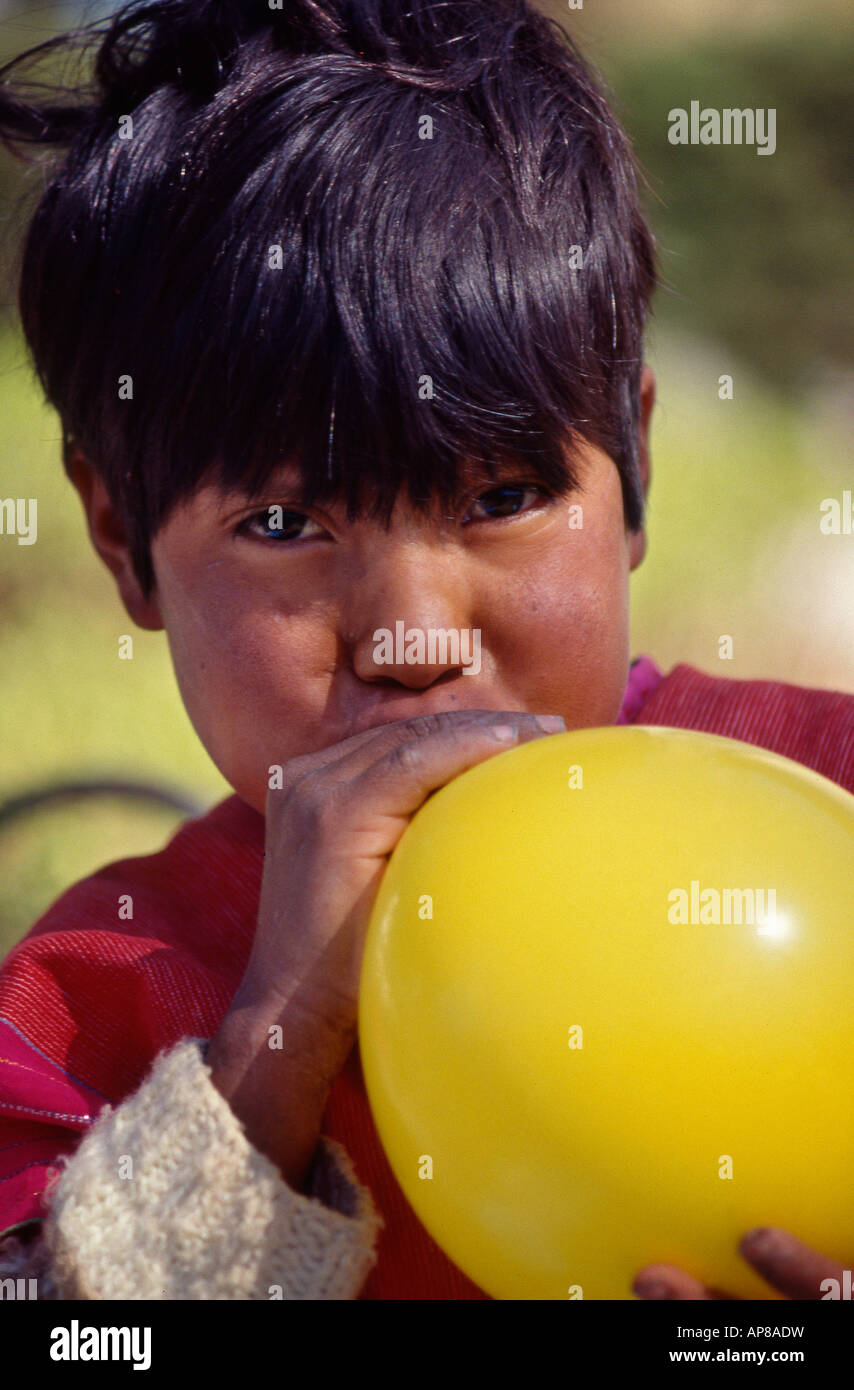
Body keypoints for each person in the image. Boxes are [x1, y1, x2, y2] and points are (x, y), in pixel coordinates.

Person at [0, 0, 851, 1301]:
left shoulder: (823, 801)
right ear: (119, 535)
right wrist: (265, 1062)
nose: (410, 638)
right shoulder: (95, 996)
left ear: (631, 467)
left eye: (502, 497)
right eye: (285, 523)